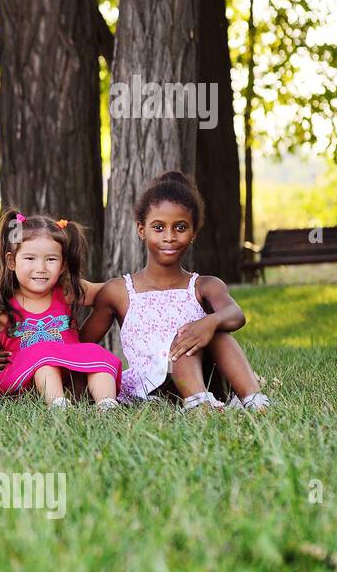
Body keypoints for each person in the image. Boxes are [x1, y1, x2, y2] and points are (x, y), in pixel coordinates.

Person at [81, 171, 270, 411]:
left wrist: (209, 323)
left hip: (206, 379)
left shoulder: (204, 285)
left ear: (193, 233)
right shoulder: (119, 291)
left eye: (180, 227)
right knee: (183, 343)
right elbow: (83, 344)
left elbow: (236, 314)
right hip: (152, 387)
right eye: (158, 227)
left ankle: (253, 400)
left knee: (215, 333)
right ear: (141, 230)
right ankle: (197, 405)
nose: (169, 237)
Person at [0, 210, 121, 409]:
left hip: (71, 377)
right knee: (44, 357)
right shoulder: (0, 305)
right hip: (27, 380)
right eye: (30, 259)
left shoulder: (67, 291)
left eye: (51, 259)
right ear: (12, 261)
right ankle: (58, 404)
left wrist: (137, 285)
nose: (41, 267)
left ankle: (107, 403)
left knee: (96, 354)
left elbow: (112, 292)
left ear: (62, 265)